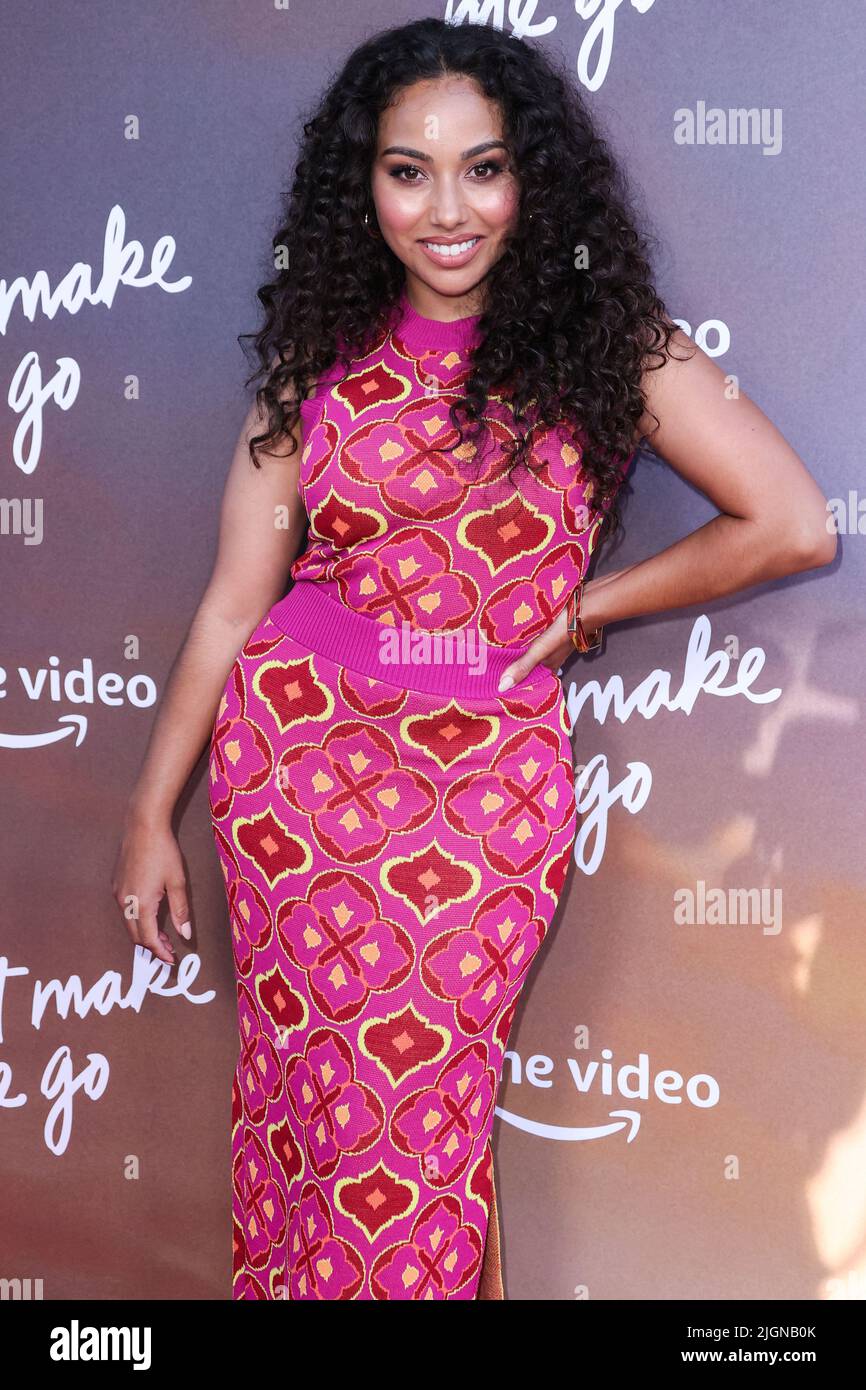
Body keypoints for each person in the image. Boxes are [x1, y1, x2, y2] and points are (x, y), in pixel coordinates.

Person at [111, 17, 836, 1300]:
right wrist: (147, 811)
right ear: (364, 184)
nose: (445, 210)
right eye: (407, 172)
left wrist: (594, 600)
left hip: (480, 796)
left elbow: (786, 522)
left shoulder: (612, 347)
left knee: (415, 1131)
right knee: (315, 1124)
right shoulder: (316, 359)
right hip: (290, 776)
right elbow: (234, 601)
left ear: (531, 178)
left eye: (481, 169)